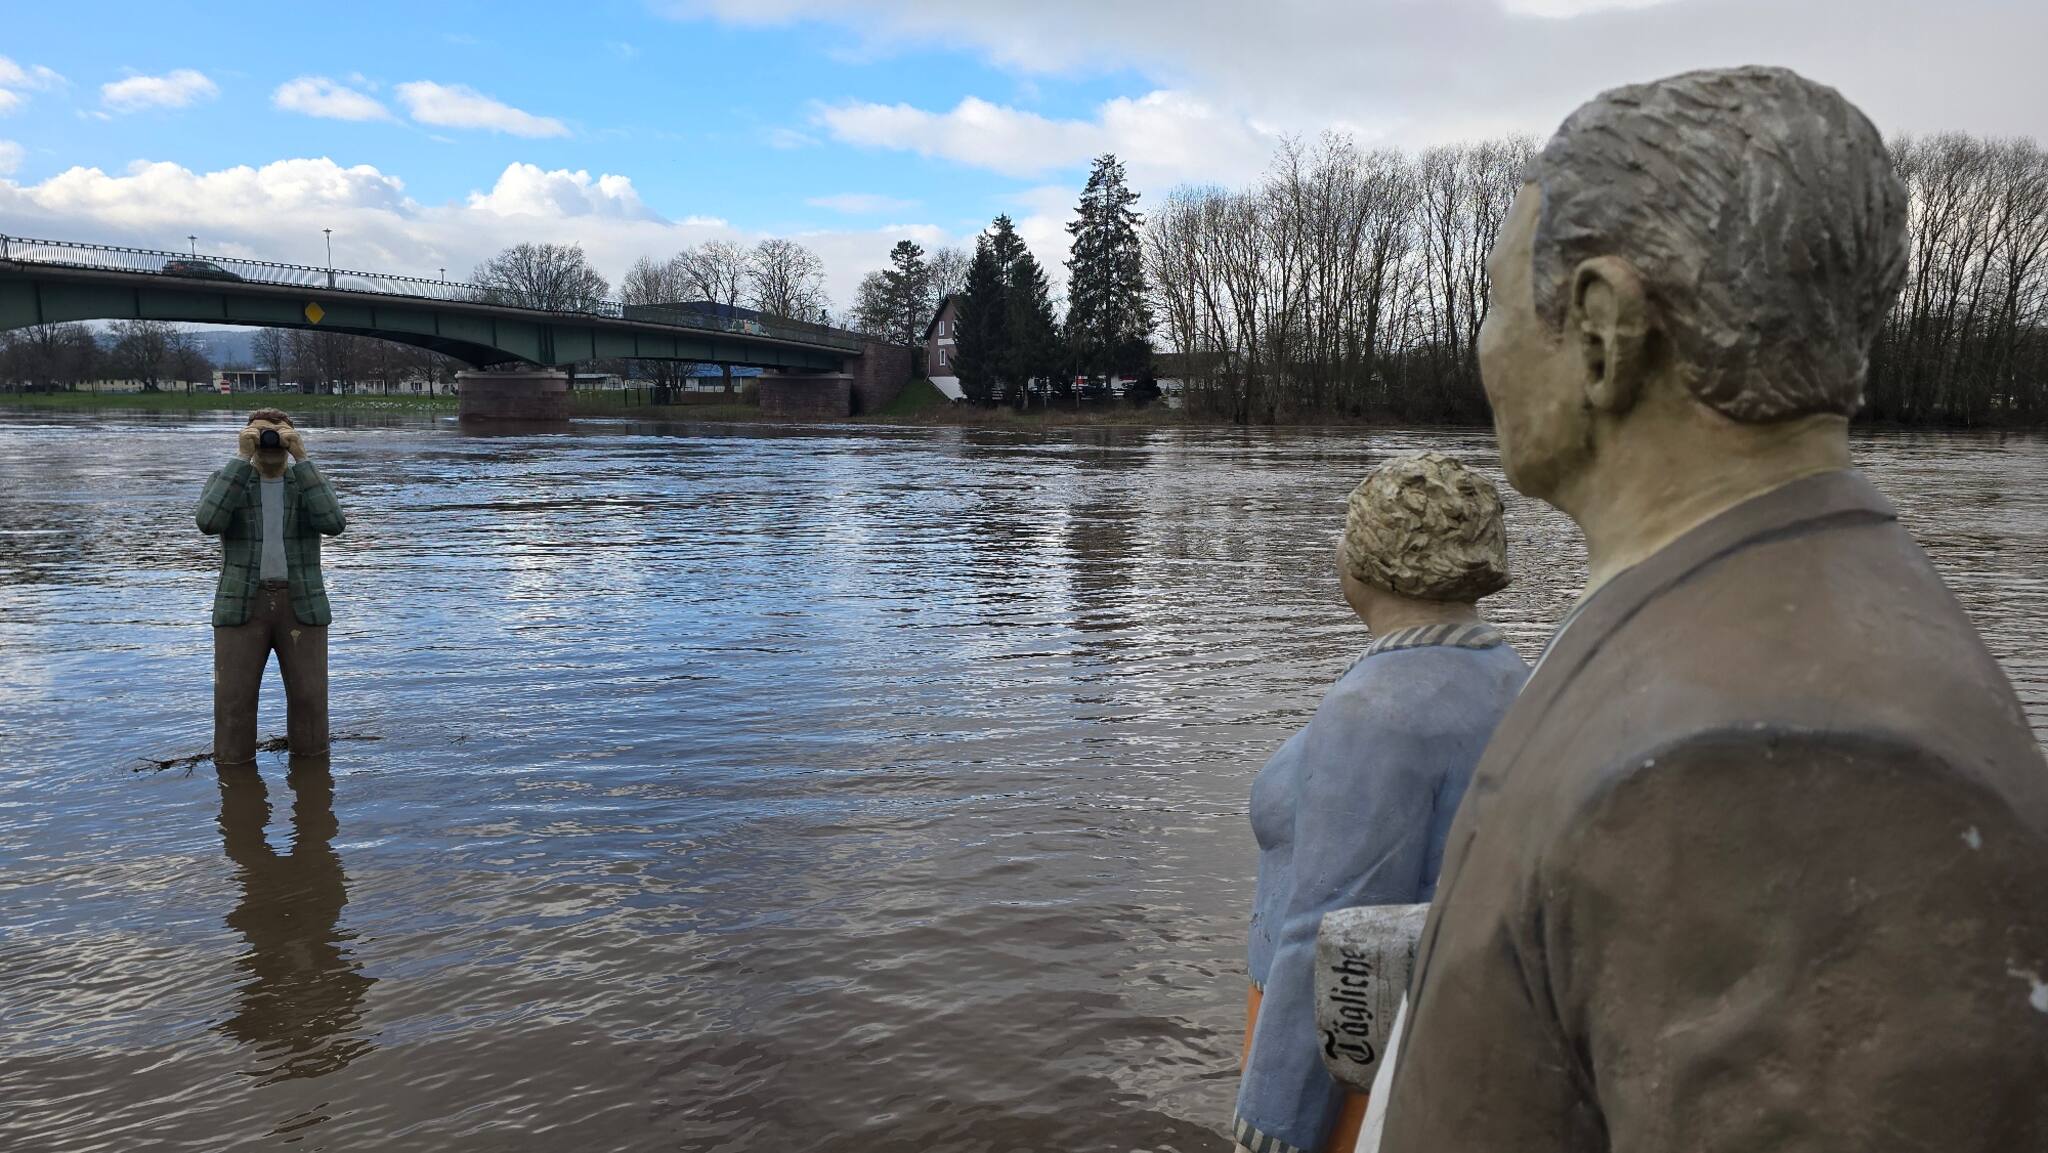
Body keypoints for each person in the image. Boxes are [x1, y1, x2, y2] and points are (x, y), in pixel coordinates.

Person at [1376, 67, 2048, 1152]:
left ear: (1600, 330)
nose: (1483, 351)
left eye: (1495, 305)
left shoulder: (1769, 764)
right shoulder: (1748, 617)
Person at [1236, 452, 1529, 1153]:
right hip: (1450, 1049)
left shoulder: (1376, 708)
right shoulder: (1512, 675)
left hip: (1350, 1071)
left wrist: (1268, 1127)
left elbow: (1330, 928)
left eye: (1346, 529)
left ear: (1377, 555)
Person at [196, 409, 346, 767]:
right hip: (241, 604)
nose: (271, 441)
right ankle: (234, 777)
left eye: (279, 434)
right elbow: (208, 521)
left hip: (302, 603)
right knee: (234, 700)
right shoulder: (229, 480)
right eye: (263, 433)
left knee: (310, 698)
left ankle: (312, 771)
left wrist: (303, 458)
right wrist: (241, 458)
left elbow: (334, 523)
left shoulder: (306, 482)